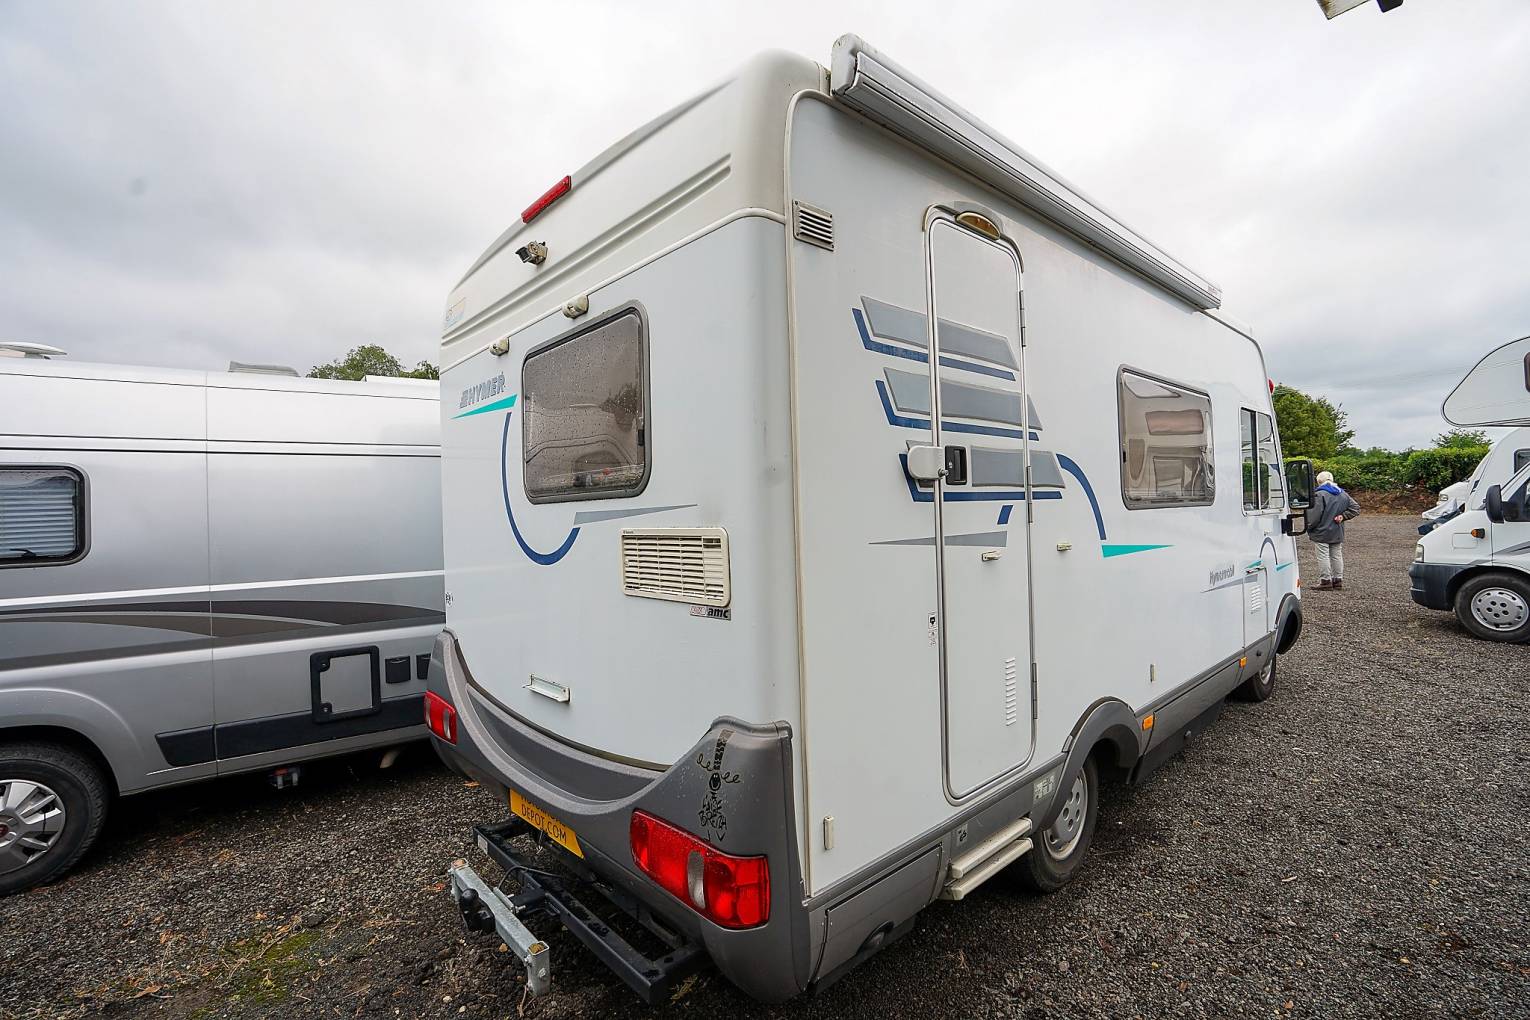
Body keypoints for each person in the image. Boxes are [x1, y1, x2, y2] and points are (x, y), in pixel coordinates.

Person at [1307, 470, 1361, 590]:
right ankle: (1338, 581)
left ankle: (1325, 581)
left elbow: (1314, 516)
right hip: (1337, 530)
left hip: (1321, 531)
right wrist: (1343, 516)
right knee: (1336, 555)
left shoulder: (1319, 494)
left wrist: (1308, 527)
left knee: (1323, 556)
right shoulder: (1343, 493)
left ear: (1319, 481)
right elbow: (1355, 508)